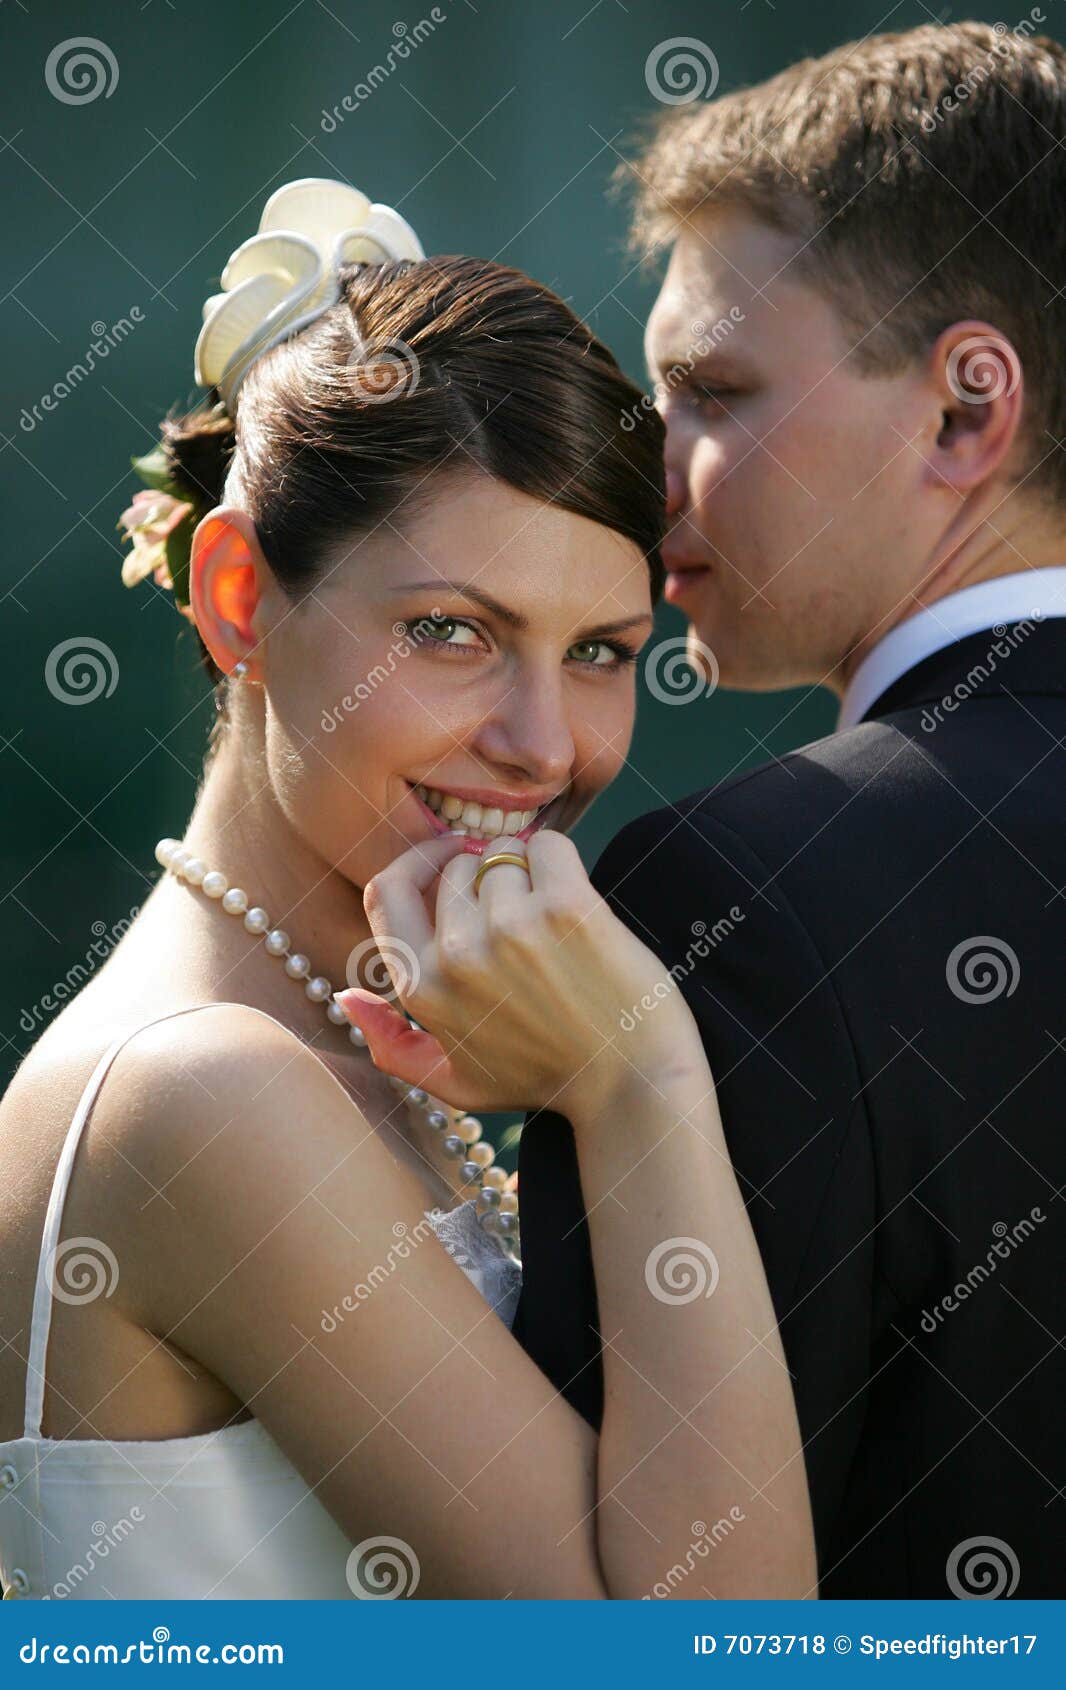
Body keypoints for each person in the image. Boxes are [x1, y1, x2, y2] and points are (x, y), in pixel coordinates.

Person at [0, 179, 814, 1600]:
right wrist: (639, 1082)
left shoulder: (354, 1043)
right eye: (449, 631)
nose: (544, 743)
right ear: (239, 595)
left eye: (600, 651)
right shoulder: (203, 1095)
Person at [511, 22, 1066, 1600]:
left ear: (965, 410)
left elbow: (643, 1614)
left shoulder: (746, 886)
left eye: (708, 390)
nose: (647, 472)